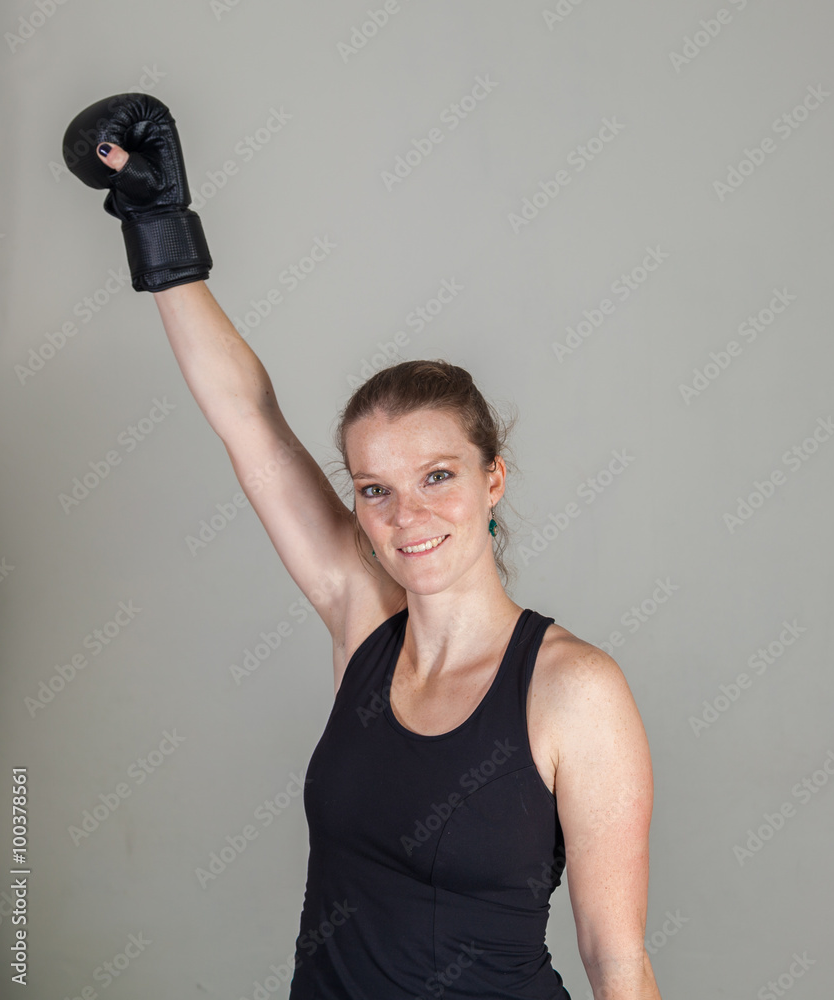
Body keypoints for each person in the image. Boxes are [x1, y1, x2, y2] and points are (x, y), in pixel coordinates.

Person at [62, 93, 661, 1000]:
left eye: (438, 477)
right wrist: (160, 227)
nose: (406, 515)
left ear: (493, 479)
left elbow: (617, 960)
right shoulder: (365, 630)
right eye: (375, 489)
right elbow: (250, 422)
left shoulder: (575, 690)